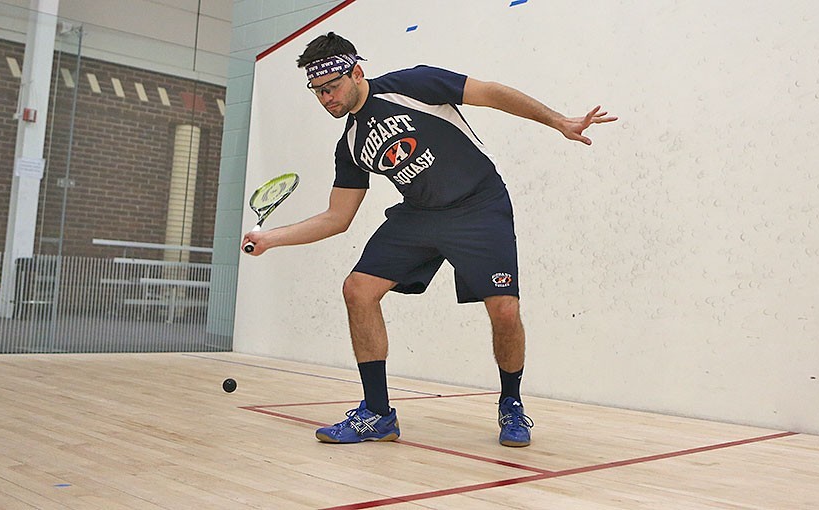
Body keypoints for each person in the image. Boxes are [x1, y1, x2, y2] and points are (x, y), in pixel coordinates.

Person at [242, 32, 616, 447]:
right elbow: (337, 217)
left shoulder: (413, 84)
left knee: (505, 310)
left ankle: (511, 403)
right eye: (317, 91)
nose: (326, 98)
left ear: (357, 73)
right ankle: (378, 414)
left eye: (331, 86)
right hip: (419, 215)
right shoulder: (350, 144)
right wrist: (271, 238)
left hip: (479, 205)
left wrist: (558, 121)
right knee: (358, 289)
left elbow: (491, 93)